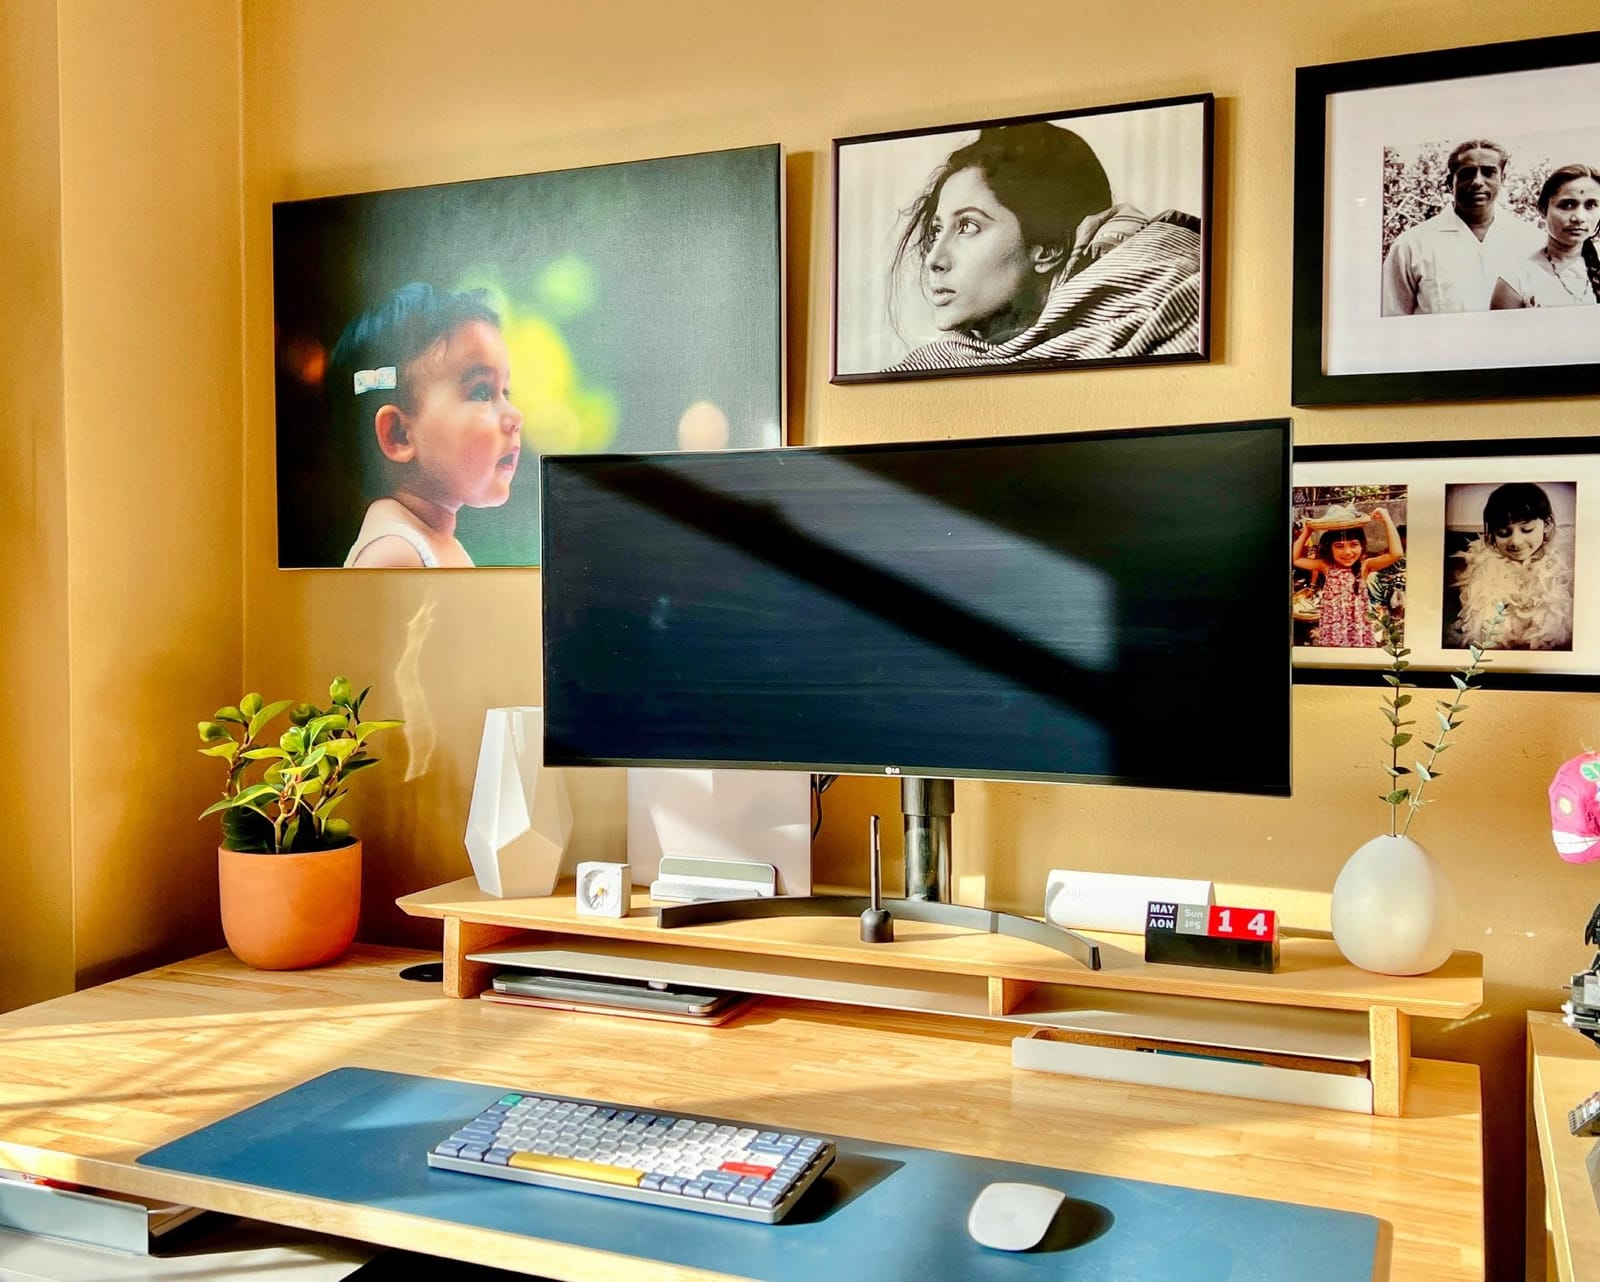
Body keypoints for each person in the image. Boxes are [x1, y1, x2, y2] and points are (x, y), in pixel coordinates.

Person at [884, 122, 1203, 372]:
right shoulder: (951, 360)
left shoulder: (1181, 300)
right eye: (937, 230)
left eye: (968, 226)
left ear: (1049, 247)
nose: (933, 260)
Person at [328, 282, 523, 568]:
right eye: (481, 392)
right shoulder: (393, 553)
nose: (515, 416)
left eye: (505, 392)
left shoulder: (434, 540)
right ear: (399, 435)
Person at [1380, 139, 1544, 316]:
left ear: (1502, 179)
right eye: (1467, 173)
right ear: (1450, 182)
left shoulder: (1533, 241)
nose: (1478, 182)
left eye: (1488, 173)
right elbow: (1392, 318)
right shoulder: (1412, 245)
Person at [1450, 482, 1573, 650]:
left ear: (1547, 524)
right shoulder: (1479, 568)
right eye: (1503, 533)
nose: (1516, 541)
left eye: (1527, 529)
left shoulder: (1568, 567)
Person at [1292, 506, 1404, 648]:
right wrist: (1307, 531)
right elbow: (1295, 559)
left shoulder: (1365, 566)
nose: (1347, 552)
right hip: (1333, 627)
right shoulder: (1325, 566)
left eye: (1354, 545)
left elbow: (1396, 554)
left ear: (1362, 546)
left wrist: (1387, 519)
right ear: (1329, 548)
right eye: (1339, 546)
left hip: (1358, 626)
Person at [1492, 164, 1600, 308]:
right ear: (1543, 210)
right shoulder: (1517, 278)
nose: (1579, 217)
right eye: (1567, 205)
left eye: (1591, 205)